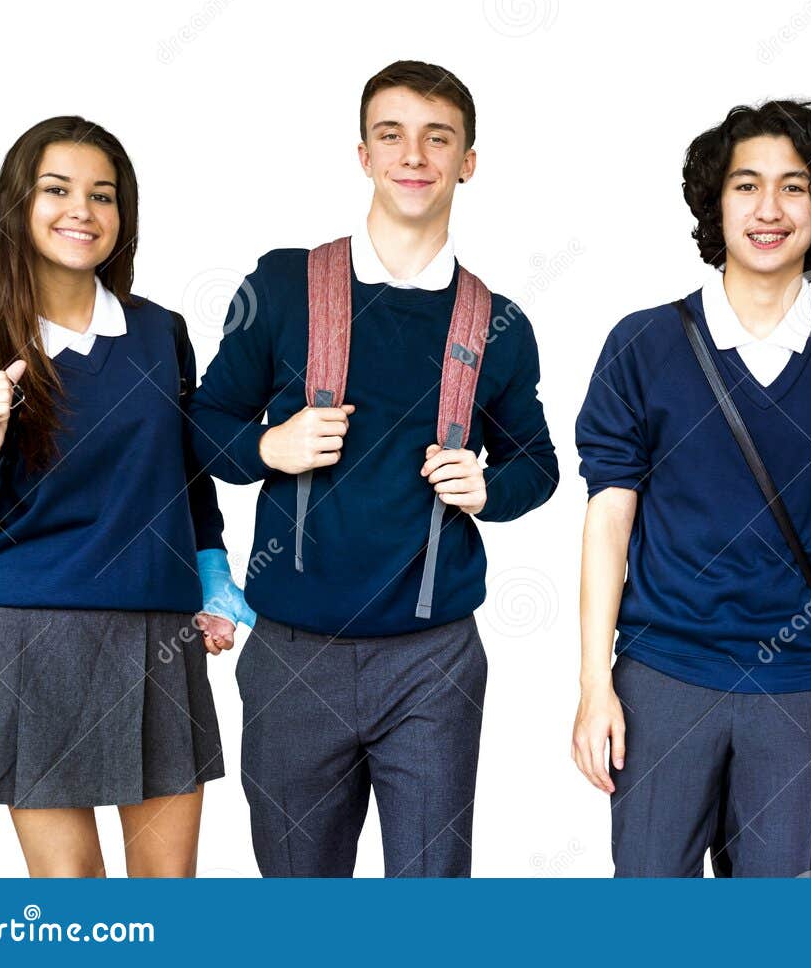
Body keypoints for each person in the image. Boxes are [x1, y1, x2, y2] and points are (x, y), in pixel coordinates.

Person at [187, 60, 559, 878]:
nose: (414, 155)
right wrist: (268, 447)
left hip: (433, 662)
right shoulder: (282, 284)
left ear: (468, 161)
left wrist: (491, 487)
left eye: (438, 138)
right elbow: (203, 425)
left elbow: (538, 463)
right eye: (392, 135)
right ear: (364, 155)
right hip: (292, 654)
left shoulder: (497, 323)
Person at [572, 100, 811, 877]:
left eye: (794, 187)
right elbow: (608, 517)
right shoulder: (643, 344)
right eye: (746, 185)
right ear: (715, 202)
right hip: (663, 678)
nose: (769, 209)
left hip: (799, 691)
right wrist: (595, 683)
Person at [0, 115, 243, 877]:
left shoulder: (161, 333)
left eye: (103, 195)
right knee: (74, 905)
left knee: (168, 901)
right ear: (18, 205)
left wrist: (214, 578)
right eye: (57, 190)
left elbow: (188, 476)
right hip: (32, 640)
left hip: (158, 629)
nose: (82, 211)